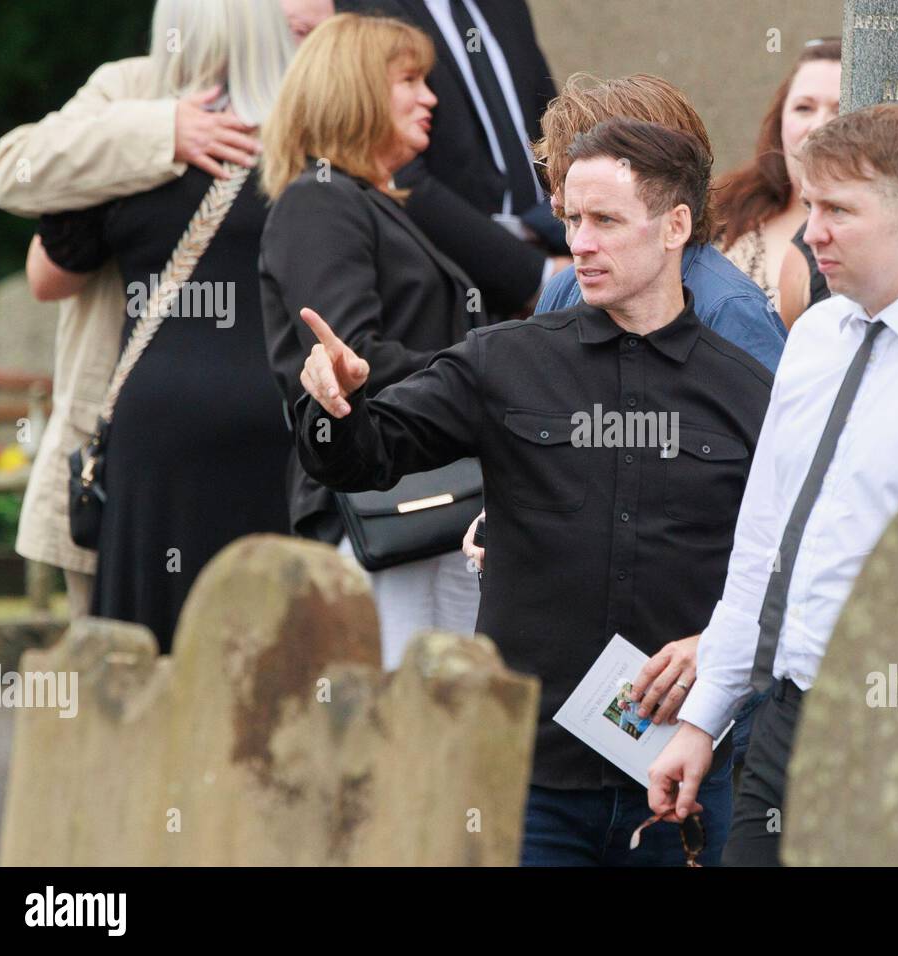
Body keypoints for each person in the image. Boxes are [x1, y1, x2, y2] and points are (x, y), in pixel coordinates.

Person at [293, 118, 772, 866]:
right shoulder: (503, 362)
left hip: (679, 771)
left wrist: (716, 645)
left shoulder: (748, 392)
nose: (580, 243)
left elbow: (792, 568)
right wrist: (333, 406)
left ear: (676, 225)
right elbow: (368, 456)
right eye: (572, 220)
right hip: (525, 776)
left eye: (606, 221)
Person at [647, 103, 898, 866]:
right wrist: (703, 720)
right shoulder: (814, 339)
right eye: (809, 204)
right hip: (783, 723)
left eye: (838, 209)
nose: (812, 232)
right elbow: (763, 543)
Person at [0, 0, 331, 621]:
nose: (309, 36)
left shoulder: (316, 119)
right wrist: (160, 132)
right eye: (297, 26)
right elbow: (14, 175)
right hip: (124, 427)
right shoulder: (131, 87)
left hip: (249, 439)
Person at [259, 13, 482, 667]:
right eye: (409, 79)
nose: (430, 97)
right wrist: (491, 370)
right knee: (401, 729)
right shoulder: (320, 202)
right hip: (383, 507)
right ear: (352, 89)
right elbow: (352, 357)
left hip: (421, 505)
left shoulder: (372, 201)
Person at [533, 72, 787, 373]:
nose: (556, 198)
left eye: (604, 215)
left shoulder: (729, 311)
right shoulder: (565, 290)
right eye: (561, 178)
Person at [338, 0, 571, 315]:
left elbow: (553, 124)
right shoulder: (364, 10)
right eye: (411, 80)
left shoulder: (504, 7)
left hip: (561, 252)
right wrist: (536, 276)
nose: (427, 98)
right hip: (462, 297)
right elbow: (393, 169)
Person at [713, 37, 841, 316]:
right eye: (804, 108)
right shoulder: (719, 212)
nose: (819, 125)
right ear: (780, 122)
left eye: (839, 110)